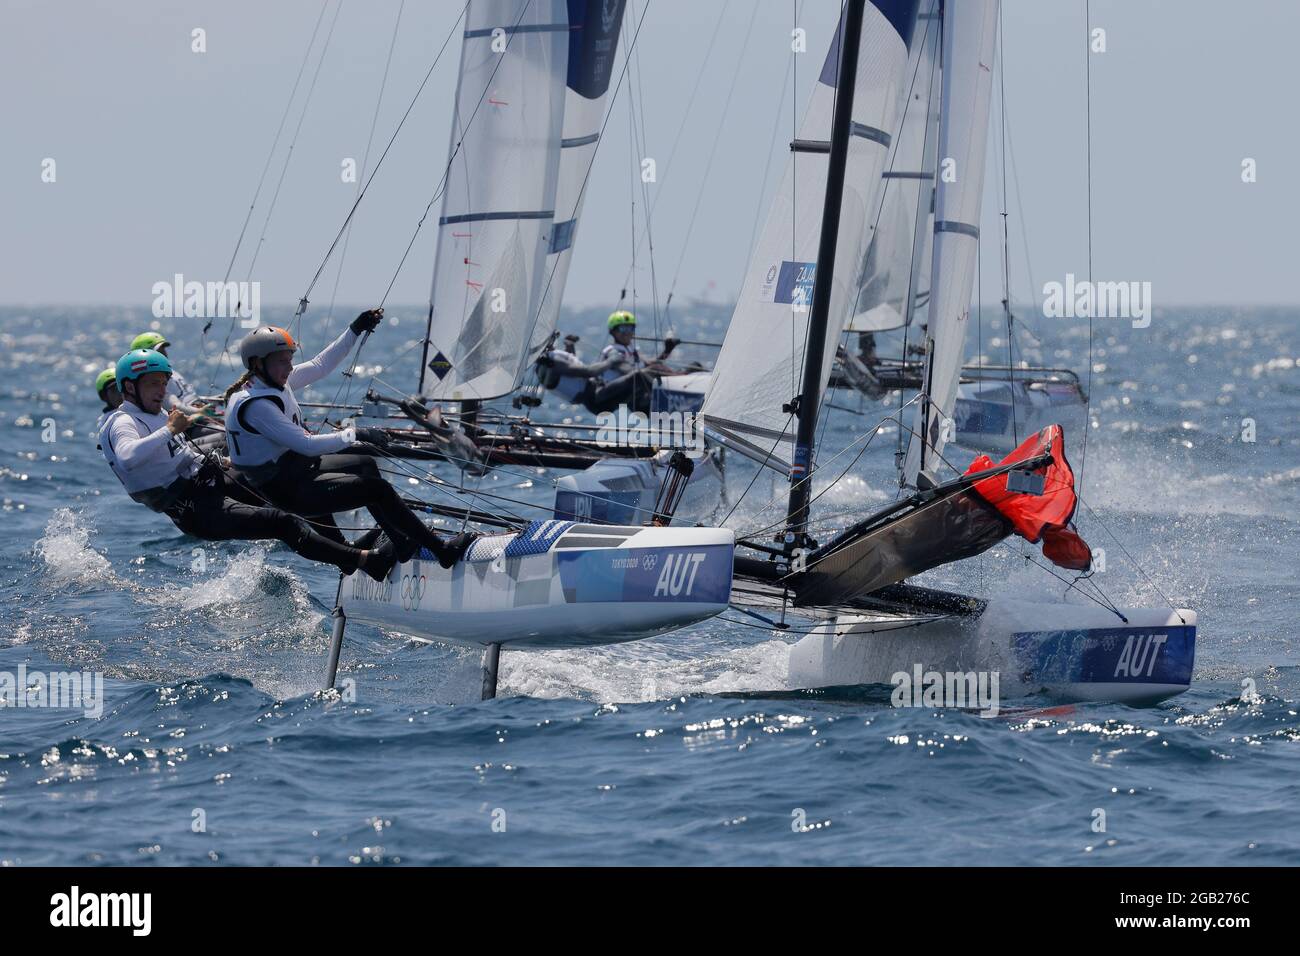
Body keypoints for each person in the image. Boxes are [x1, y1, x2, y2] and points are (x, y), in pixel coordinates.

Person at [99, 347, 394, 581]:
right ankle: (366, 562)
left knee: (292, 480)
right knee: (282, 522)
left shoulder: (155, 414)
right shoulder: (122, 422)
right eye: (153, 384)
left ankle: (344, 549)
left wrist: (226, 460)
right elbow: (128, 456)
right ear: (129, 387)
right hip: (194, 508)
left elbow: (180, 454)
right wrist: (169, 429)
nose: (161, 391)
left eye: (163, 383)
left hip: (210, 479)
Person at [223, 311, 473, 569]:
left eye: (290, 360)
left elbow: (320, 365)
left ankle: (402, 543)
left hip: (296, 470)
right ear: (258, 363)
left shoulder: (270, 382)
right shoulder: (258, 406)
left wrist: (355, 329)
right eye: (281, 361)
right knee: (377, 490)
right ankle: (442, 551)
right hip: (290, 490)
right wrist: (357, 433)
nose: (289, 367)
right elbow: (306, 445)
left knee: (364, 464)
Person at [94, 367, 123, 440]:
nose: (119, 393)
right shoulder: (107, 423)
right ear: (104, 397)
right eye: (113, 390)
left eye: (120, 387)